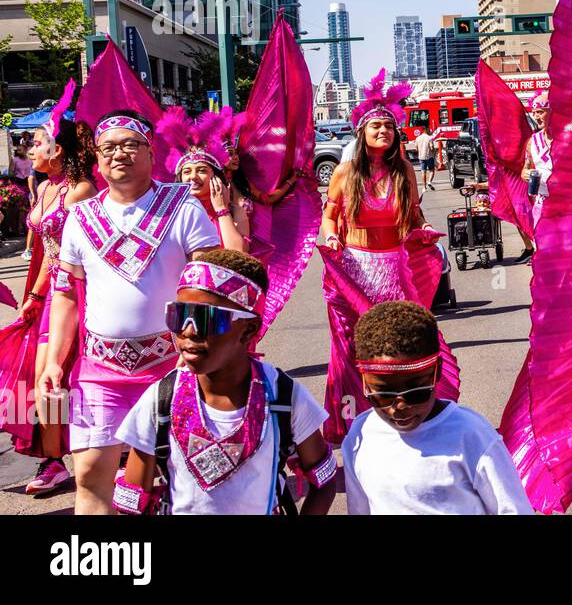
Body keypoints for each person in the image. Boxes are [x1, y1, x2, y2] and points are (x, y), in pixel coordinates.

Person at [39, 109, 221, 514]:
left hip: (174, 368)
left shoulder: (184, 206)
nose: (118, 154)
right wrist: (54, 360)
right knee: (89, 476)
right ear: (98, 159)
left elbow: (209, 284)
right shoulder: (80, 218)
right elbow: (66, 296)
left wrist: (204, 349)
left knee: (188, 475)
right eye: (108, 148)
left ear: (149, 151)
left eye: (129, 144)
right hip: (100, 370)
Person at [112, 250, 335, 515]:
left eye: (206, 319)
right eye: (179, 314)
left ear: (249, 329)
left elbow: (325, 480)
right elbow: (131, 500)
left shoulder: (284, 397)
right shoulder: (161, 400)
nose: (188, 331)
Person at [320, 70, 449, 445]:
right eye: (376, 125)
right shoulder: (345, 172)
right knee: (354, 346)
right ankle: (355, 416)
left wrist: (423, 230)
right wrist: (331, 238)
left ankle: (403, 409)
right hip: (356, 268)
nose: (383, 131)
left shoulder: (404, 169)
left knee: (397, 345)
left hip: (395, 269)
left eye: (389, 127)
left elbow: (414, 216)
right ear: (362, 132)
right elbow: (330, 216)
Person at [341, 301, 531, 514]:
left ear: (437, 371)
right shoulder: (361, 436)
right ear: (365, 382)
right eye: (383, 395)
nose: (400, 406)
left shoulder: (470, 434)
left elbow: (513, 509)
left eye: (416, 392)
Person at [0, 81, 95, 493]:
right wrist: (33, 295)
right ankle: (55, 459)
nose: (31, 150)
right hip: (50, 289)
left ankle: (105, 451)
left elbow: (69, 254)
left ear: (58, 149)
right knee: (45, 379)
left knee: (75, 376)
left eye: (37, 142)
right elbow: (43, 248)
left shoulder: (82, 190)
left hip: (80, 292)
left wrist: (40, 294)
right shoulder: (44, 187)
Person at [156, 107, 249, 252]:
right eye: (187, 171)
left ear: (216, 177)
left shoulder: (234, 211)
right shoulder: (170, 211)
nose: (193, 176)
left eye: (202, 170)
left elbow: (238, 253)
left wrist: (221, 210)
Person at [516, 90, 552, 264]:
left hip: (565, 204)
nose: (536, 116)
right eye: (534, 112)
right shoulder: (532, 142)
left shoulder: (565, 139)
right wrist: (526, 174)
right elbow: (525, 169)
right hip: (542, 204)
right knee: (544, 251)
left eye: (541, 112)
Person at [414, 126, 437, 191]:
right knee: (431, 170)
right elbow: (432, 148)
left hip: (421, 157)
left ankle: (424, 188)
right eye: (429, 129)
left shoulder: (417, 138)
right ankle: (429, 182)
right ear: (426, 130)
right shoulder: (430, 138)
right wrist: (433, 151)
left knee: (423, 172)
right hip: (429, 156)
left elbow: (416, 149)